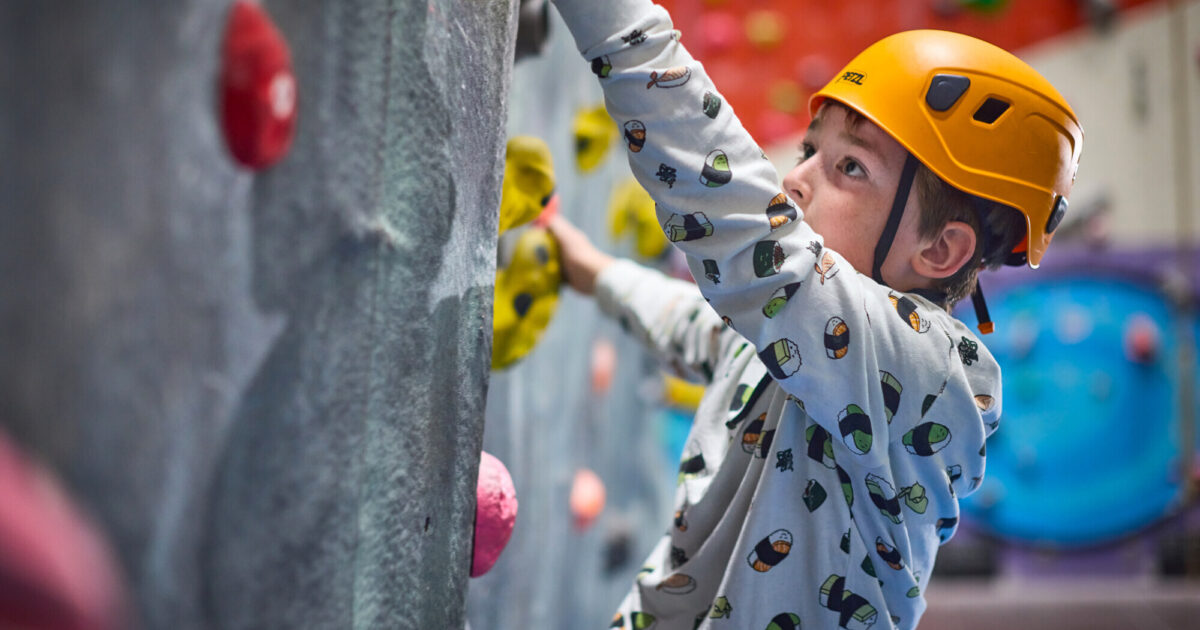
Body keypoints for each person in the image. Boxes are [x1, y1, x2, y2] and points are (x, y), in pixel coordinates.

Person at [545, 1, 1083, 628]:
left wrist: (618, 24)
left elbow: (749, 235)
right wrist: (594, 272)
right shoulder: (798, 337)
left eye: (849, 166)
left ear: (939, 250)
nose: (795, 180)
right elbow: (700, 324)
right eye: (809, 149)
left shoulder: (933, 378)